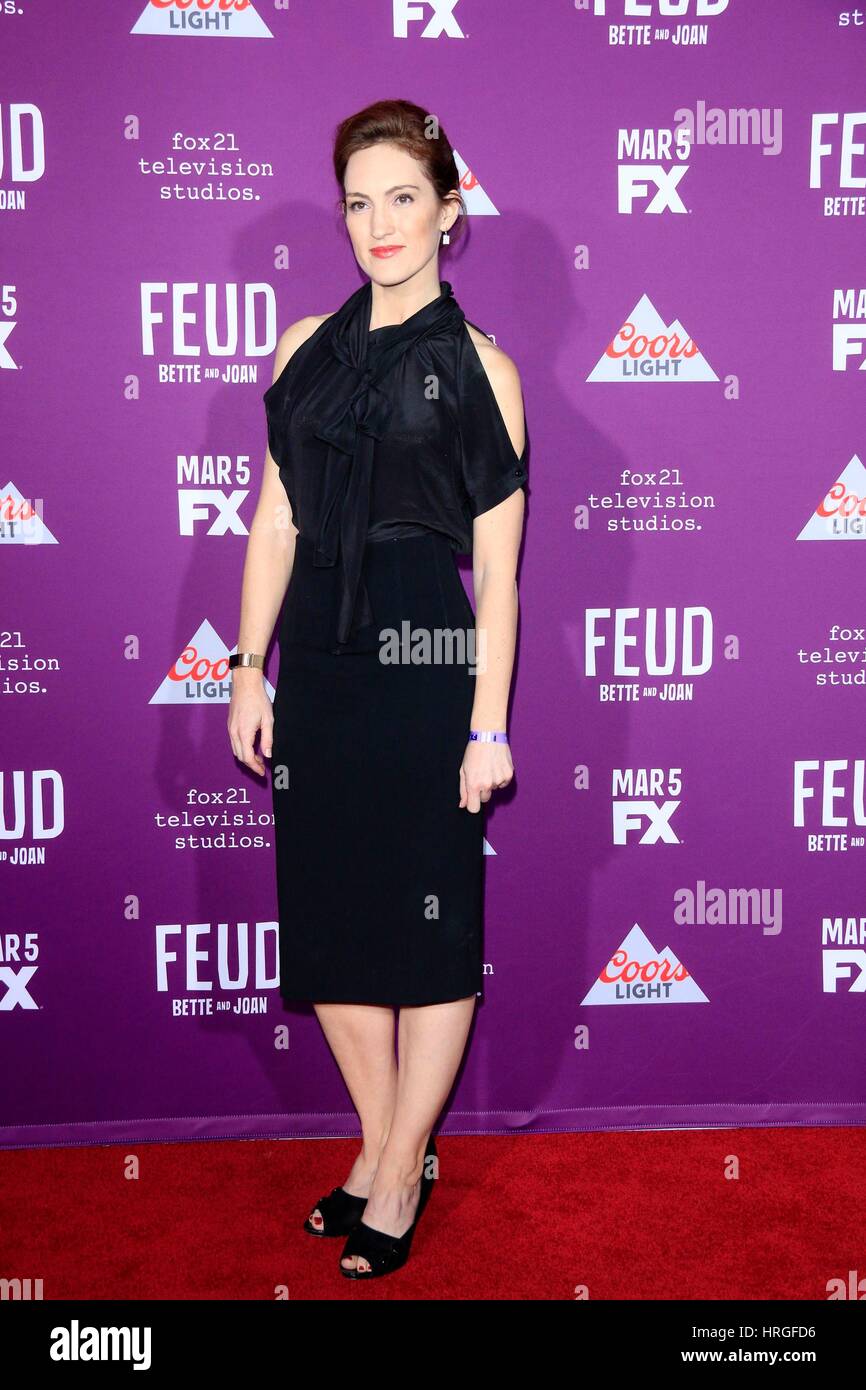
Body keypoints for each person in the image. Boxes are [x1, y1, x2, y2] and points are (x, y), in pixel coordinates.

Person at [227, 99, 528, 1279]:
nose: (379, 222)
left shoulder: (485, 371)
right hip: (318, 673)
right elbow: (272, 521)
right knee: (339, 929)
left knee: (431, 933)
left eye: (404, 197)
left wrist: (486, 721)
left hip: (424, 671)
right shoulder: (302, 346)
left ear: (449, 214)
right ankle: (380, 1142)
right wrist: (248, 669)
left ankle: (399, 1167)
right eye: (358, 201)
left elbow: (498, 574)